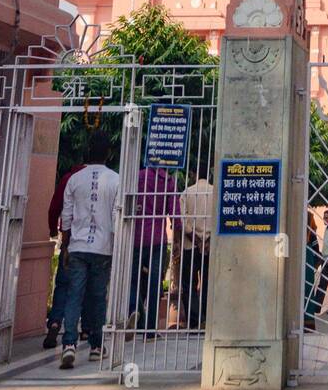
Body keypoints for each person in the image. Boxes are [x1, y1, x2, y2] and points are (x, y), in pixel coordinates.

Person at [58, 133, 120, 369]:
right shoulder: (115, 179)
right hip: (102, 247)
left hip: (78, 246)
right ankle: (96, 345)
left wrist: (65, 244)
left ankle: (69, 344)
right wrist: (116, 244)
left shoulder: (75, 179)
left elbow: (67, 214)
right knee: (97, 297)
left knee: (74, 294)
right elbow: (117, 215)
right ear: (108, 154)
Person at [130, 162, 176, 337]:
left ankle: (135, 308)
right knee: (155, 283)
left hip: (137, 236)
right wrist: (177, 235)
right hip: (158, 238)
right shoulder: (168, 181)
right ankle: (150, 329)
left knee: (133, 279)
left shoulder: (138, 177)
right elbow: (175, 214)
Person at [43, 156, 84, 349]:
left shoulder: (68, 179)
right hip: (90, 242)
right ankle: (84, 329)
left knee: (63, 284)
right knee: (86, 287)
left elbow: (55, 207)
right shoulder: (100, 180)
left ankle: (55, 321)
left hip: (69, 239)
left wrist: (53, 229)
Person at [171, 176, 213, 330]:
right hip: (210, 245)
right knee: (208, 283)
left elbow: (181, 220)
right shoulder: (216, 192)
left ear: (194, 176)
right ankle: (207, 318)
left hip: (190, 245)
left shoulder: (186, 193)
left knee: (189, 283)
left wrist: (196, 239)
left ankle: (195, 321)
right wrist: (207, 240)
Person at [304, 212, 325, 333]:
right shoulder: (310, 224)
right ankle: (307, 323)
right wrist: (316, 264)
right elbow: (316, 249)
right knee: (307, 291)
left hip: (297, 258)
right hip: (308, 260)